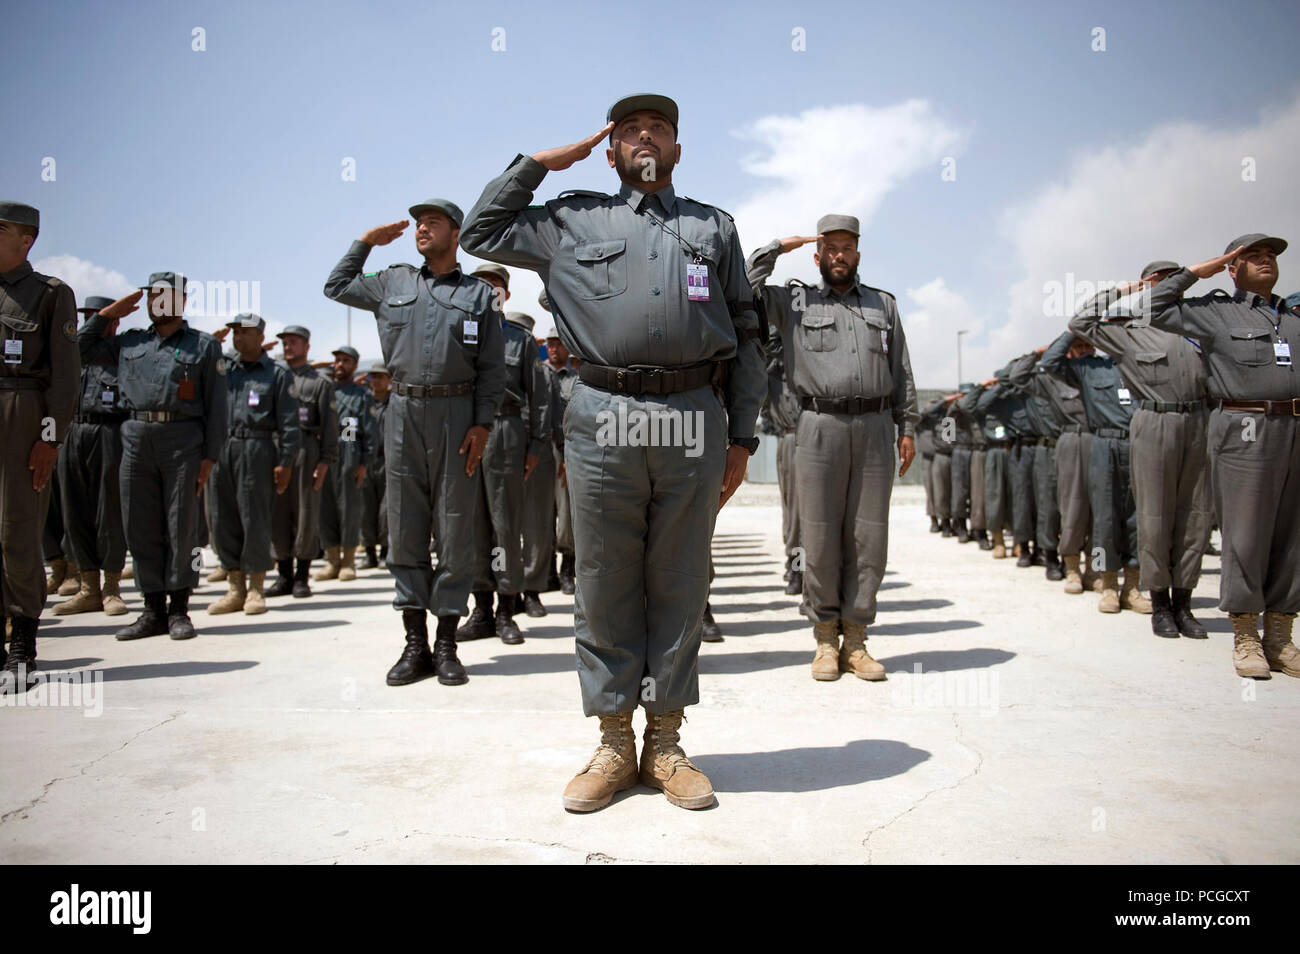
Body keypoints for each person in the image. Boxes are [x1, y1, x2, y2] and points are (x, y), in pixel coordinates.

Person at [460, 94, 764, 811]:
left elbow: (748, 334)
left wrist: (744, 433)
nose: (645, 137)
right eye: (630, 130)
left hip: (693, 414)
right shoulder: (569, 219)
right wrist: (539, 164)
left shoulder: (712, 227)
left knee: (680, 578)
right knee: (602, 579)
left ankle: (664, 743)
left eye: (659, 128)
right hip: (603, 414)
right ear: (611, 150)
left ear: (678, 150)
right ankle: (612, 743)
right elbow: (479, 233)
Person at [325, 197, 504, 688]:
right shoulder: (393, 281)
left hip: (457, 415)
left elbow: (492, 369)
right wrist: (364, 243)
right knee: (404, 528)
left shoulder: (478, 296)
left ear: (456, 233)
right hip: (402, 413)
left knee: (454, 530)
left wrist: (482, 424)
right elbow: (336, 286)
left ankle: (446, 643)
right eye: (419, 223)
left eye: (434, 223)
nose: (423, 229)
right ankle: (415, 643)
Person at [747, 215, 917, 684]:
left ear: (857, 255)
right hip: (817, 425)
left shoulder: (883, 304)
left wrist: (909, 425)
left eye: (847, 248)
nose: (839, 256)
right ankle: (825, 638)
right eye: (831, 248)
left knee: (869, 535)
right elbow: (742, 287)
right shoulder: (795, 300)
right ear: (817, 256)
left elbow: (900, 365)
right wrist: (779, 247)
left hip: (877, 426)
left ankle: (857, 639)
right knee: (818, 535)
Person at [1147, 234, 1300, 678]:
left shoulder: (1291, 318)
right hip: (1243, 430)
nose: (1266, 260)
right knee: (1246, 534)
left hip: (1294, 429)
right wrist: (1198, 271)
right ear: (1233, 269)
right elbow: (1154, 308)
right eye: (1252, 256)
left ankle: (1280, 637)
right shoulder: (1215, 313)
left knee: (1291, 539)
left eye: (1270, 255)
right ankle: (1246, 637)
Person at [1070, 260, 1211, 637]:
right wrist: (1124, 290)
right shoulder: (1130, 331)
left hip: (1199, 423)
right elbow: (1081, 323)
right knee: (1153, 517)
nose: (1169, 284)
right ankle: (1159, 604)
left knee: (1195, 518)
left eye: (1175, 278)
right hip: (1153, 421)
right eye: (1160, 280)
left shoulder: (1200, 323)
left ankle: (1185, 602)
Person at [82, 273, 225, 641]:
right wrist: (106, 316)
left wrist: (210, 456)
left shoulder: (204, 346)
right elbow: (76, 348)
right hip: (134, 437)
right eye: (152, 296)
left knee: (181, 526)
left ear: (182, 301)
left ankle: (180, 609)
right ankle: (152, 610)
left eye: (165, 296)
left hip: (183, 438)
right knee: (138, 523)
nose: (156, 302)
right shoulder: (129, 343)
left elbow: (217, 406)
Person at [0, 201, 80, 690]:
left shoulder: (49, 294)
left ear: (25, 239)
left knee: (17, 532)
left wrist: (49, 440)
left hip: (22, 413)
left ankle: (22, 647)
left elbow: (66, 380)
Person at [456, 266, 548, 645]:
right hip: (465, 436)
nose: (490, 292)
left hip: (506, 433)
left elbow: (539, 395)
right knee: (473, 525)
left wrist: (537, 445)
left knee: (504, 525)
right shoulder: (460, 333)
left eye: (497, 287)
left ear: (506, 296)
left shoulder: (519, 341)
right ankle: (480, 607)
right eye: (481, 286)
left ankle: (506, 610)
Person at [1040, 330, 1149, 614]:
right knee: (1098, 515)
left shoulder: (1132, 364)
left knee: (1137, 518)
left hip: (1136, 441)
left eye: (1088, 343)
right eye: (1078, 345)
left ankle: (1132, 586)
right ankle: (1104, 581)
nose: (1085, 348)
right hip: (1095, 442)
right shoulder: (1086, 369)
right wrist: (1075, 330)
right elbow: (1050, 361)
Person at [207, 314, 299, 615]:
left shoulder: (277, 373)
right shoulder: (223, 370)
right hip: (223, 447)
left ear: (261, 336)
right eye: (235, 332)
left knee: (254, 518)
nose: (239, 338)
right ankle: (235, 586)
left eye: (245, 332)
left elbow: (289, 423)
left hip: (258, 448)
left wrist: (285, 461)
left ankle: (257, 586)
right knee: (222, 518)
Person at [54, 294, 129, 617]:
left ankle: (111, 588)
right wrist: (99, 319)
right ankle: (88, 588)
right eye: (86, 316)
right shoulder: (75, 350)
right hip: (72, 432)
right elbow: (78, 341)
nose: (90, 322)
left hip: (109, 432)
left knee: (109, 511)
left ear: (116, 322)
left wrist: (108, 321)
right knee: (75, 511)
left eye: (97, 317)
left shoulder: (121, 351)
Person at [266, 326, 337, 599]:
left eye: (294, 342)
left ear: (307, 346)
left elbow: (332, 427)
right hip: (277, 448)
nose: (288, 346)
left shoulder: (319, 383)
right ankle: (283, 574)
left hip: (307, 450)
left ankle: (302, 576)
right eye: (285, 342)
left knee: (306, 512)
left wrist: (326, 461)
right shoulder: (274, 378)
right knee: (277, 513)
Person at [314, 345, 374, 583]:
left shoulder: (362, 395)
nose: (340, 364)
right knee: (324, 506)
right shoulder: (325, 390)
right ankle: (332, 559)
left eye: (346, 361)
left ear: (355, 365)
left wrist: (364, 462)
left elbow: (370, 432)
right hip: (325, 452)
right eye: (337, 360)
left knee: (349, 507)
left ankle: (348, 560)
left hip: (350, 450)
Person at [360, 361, 391, 568]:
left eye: (381, 376)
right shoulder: (362, 402)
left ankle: (385, 552)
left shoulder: (395, 403)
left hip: (388, 460)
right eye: (374, 376)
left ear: (389, 380)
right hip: (365, 461)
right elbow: (349, 427)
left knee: (386, 510)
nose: (376, 380)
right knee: (365, 508)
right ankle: (369, 552)